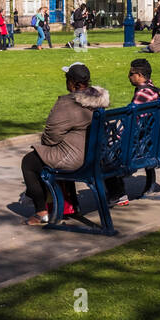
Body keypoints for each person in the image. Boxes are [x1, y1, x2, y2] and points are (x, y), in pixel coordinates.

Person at [20, 63, 109, 225]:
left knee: (29, 162)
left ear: (73, 83)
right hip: (99, 154)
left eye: (66, 79)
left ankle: (41, 211)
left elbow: (50, 138)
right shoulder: (99, 99)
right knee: (49, 155)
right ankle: (69, 204)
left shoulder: (67, 103)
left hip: (79, 160)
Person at [106, 58, 160, 206]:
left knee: (104, 151)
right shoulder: (153, 90)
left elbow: (130, 126)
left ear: (140, 75)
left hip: (142, 147)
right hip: (154, 142)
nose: (128, 76)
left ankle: (117, 193)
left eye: (131, 74)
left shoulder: (142, 96)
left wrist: (113, 138)